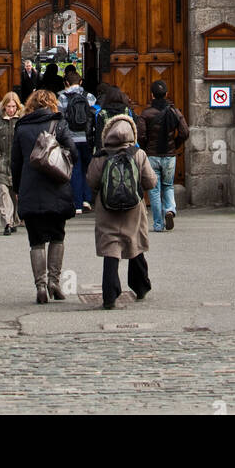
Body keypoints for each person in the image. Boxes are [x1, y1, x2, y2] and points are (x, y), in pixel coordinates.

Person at [10, 88, 76, 303]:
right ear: (52, 104)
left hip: (31, 190)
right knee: (58, 235)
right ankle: (54, 282)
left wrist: (18, 189)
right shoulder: (59, 123)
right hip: (55, 187)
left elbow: (16, 163)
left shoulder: (21, 128)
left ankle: (40, 286)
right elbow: (73, 152)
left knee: (36, 240)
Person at [87, 113, 157, 310]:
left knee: (112, 249)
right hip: (133, 209)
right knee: (134, 244)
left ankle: (110, 294)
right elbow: (150, 182)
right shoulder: (138, 154)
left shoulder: (100, 156)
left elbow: (91, 181)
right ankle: (141, 286)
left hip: (107, 209)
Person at [137, 80, 189, 231]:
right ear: (166, 94)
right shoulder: (174, 111)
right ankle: (170, 210)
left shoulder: (146, 114)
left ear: (152, 95)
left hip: (152, 155)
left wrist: (146, 148)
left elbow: (141, 135)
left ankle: (158, 224)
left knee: (154, 189)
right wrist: (176, 144)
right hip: (169, 155)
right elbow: (185, 132)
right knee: (168, 186)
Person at [58, 68, 96, 215]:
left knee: (75, 169)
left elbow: (60, 118)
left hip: (70, 139)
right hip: (87, 138)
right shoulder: (90, 96)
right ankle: (87, 199)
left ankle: (77, 203)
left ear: (66, 83)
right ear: (80, 82)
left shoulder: (61, 97)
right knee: (88, 169)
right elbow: (93, 117)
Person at [0, 91, 24, 234]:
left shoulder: (22, 118)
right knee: (3, 191)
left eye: (14, 106)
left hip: (16, 162)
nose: (11, 109)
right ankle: (7, 222)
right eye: (8, 106)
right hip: (1, 161)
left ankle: (14, 220)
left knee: (15, 192)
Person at [94, 84, 136, 150]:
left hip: (108, 149)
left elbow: (99, 136)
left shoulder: (102, 114)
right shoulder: (128, 111)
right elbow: (134, 130)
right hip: (127, 148)